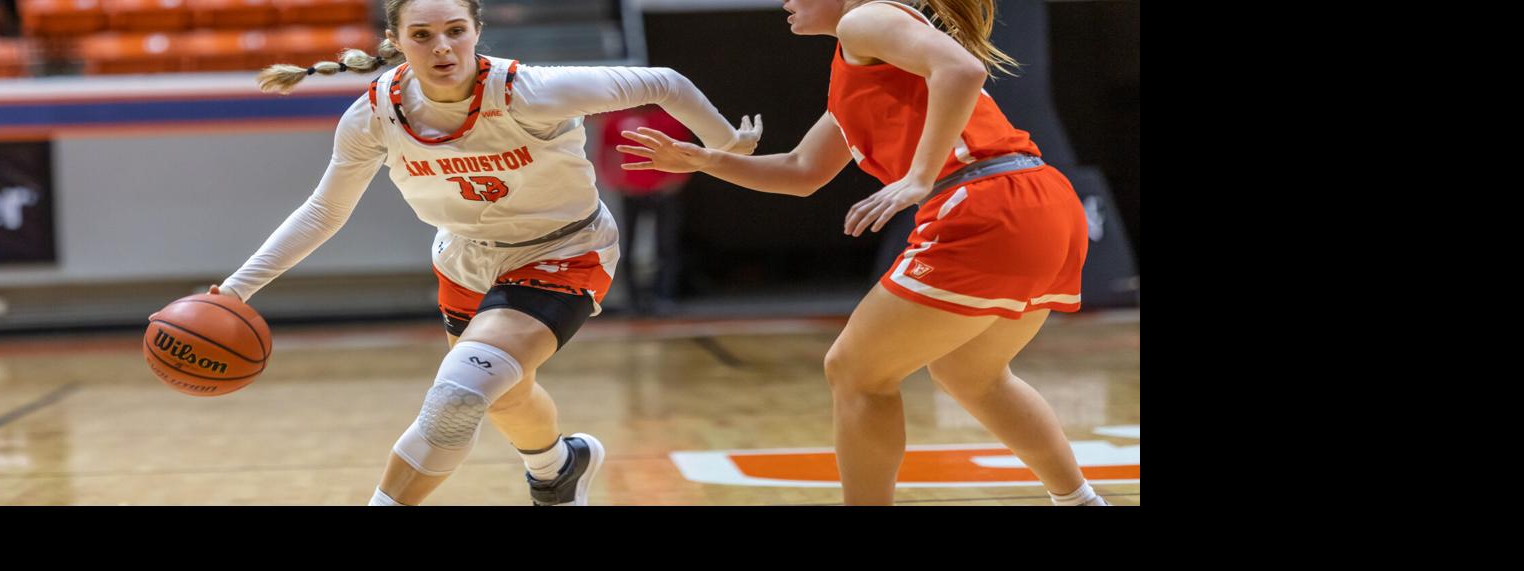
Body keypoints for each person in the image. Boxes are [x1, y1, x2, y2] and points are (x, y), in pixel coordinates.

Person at [211, 0, 761, 506]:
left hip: (563, 250)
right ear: (396, 40)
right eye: (423, 35)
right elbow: (323, 212)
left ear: (477, 32)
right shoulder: (373, 115)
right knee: (503, 395)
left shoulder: (530, 92)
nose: (442, 47)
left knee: (458, 394)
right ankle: (557, 467)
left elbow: (663, 83)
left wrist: (724, 146)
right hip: (465, 258)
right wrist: (235, 290)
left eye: (455, 31)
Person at [617, 0, 1105, 506]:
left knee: (855, 372)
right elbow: (801, 170)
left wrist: (918, 176)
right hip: (1041, 201)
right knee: (972, 375)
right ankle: (1080, 500)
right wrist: (704, 160)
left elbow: (961, 68)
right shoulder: (860, 67)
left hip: (985, 201)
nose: (786, 2)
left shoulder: (865, 19)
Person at [595, 105, 694, 315]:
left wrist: (676, 180)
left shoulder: (671, 120)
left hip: (664, 192)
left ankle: (664, 297)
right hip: (631, 192)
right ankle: (633, 300)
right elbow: (606, 153)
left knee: (666, 244)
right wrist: (616, 183)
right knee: (627, 245)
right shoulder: (615, 121)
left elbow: (685, 151)